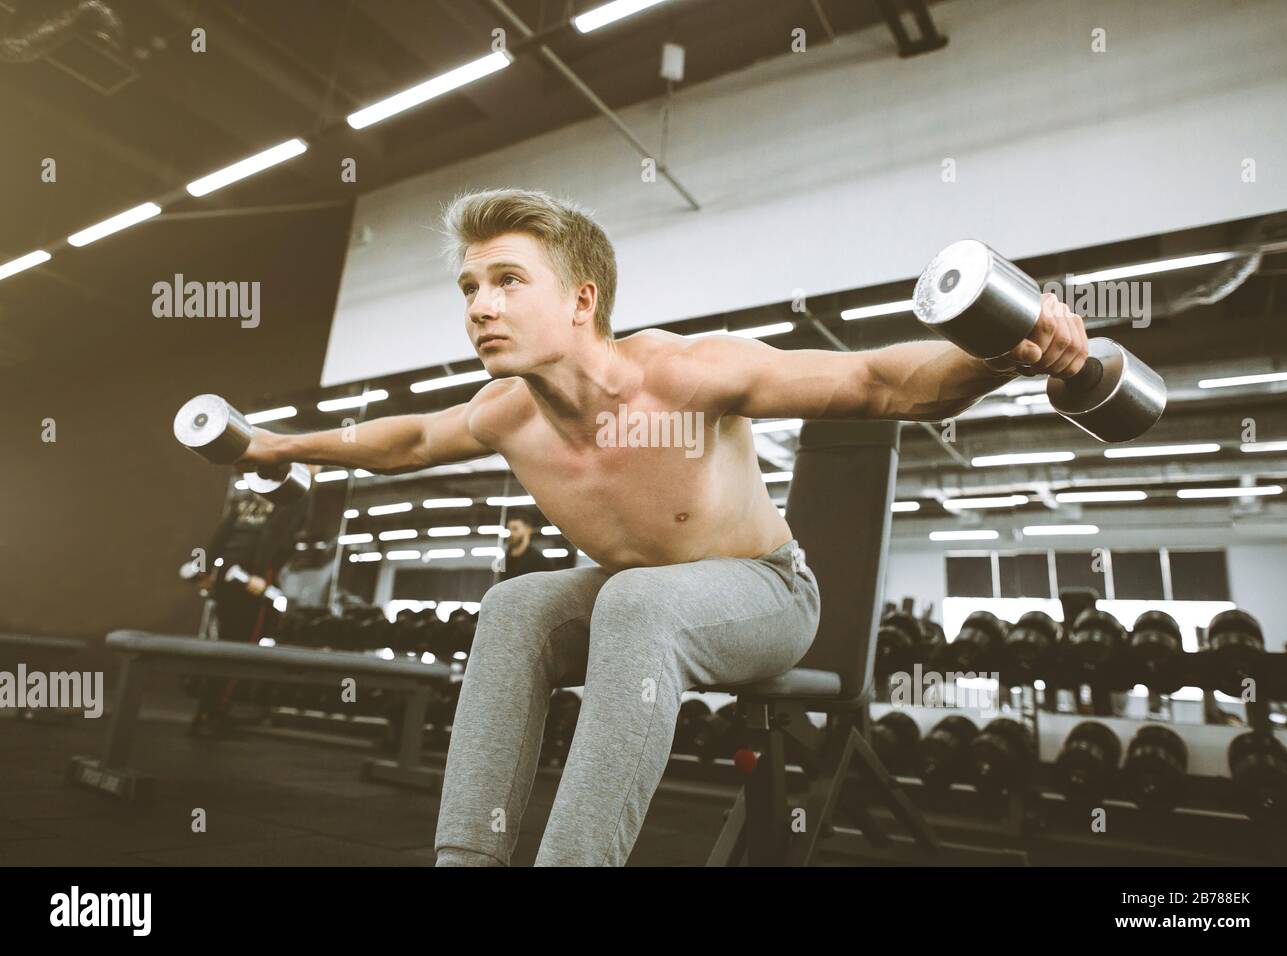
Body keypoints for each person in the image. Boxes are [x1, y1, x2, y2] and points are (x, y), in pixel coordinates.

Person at [231, 188, 1088, 864]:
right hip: (631, 595)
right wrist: (278, 443)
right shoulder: (505, 415)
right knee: (515, 607)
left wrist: (1000, 358)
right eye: (468, 287)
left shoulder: (681, 373)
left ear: (581, 300)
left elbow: (877, 383)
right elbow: (408, 439)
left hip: (767, 595)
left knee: (637, 602)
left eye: (506, 281)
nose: (479, 307)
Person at [188, 486, 311, 737]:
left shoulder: (248, 495)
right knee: (240, 648)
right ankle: (214, 715)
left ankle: (206, 713)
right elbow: (274, 534)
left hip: (229, 573)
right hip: (250, 577)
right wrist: (259, 573)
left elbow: (222, 534)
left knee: (225, 645)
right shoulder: (296, 494)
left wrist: (207, 569)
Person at [496, 515, 553, 580]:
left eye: (515, 529)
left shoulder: (540, 560)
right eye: (509, 529)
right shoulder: (505, 560)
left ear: (528, 530)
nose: (511, 533)